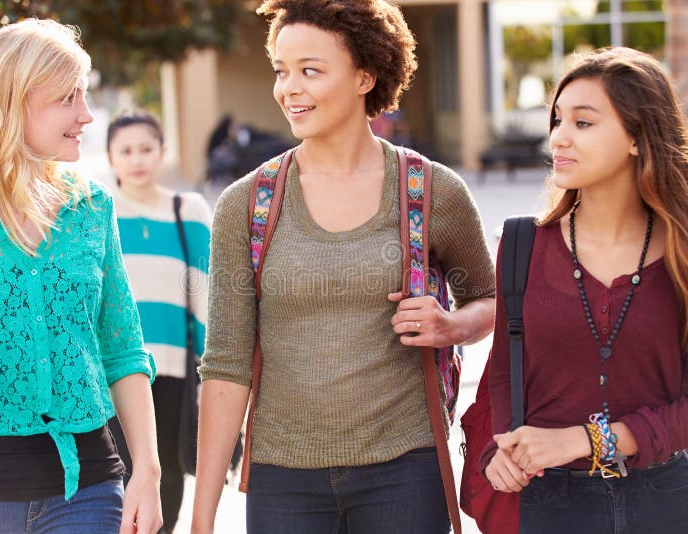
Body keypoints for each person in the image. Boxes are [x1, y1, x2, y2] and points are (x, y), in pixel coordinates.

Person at [192, 1, 496, 533]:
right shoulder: (246, 204)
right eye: (281, 71)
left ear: (364, 76)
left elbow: (488, 299)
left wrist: (453, 326)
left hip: (405, 469)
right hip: (281, 477)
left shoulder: (431, 192)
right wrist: (201, 521)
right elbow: (226, 364)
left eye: (310, 70)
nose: (289, 88)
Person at [482, 47, 688, 533]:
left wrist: (589, 441)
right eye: (557, 120)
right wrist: (502, 449)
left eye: (583, 123)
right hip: (549, 502)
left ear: (638, 137)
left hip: (665, 503)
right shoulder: (521, 244)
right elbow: (503, 371)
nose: (558, 138)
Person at [0, 19, 163, 533]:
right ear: (9, 105)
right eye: (67, 98)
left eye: (84, 96)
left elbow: (121, 348)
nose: (86, 115)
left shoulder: (91, 207)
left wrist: (147, 471)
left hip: (88, 493)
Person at [107, 109, 212, 533]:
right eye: (126, 151)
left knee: (167, 466)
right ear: (111, 157)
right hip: (110, 370)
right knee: (113, 472)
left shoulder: (188, 210)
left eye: (146, 149)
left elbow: (206, 294)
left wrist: (210, 373)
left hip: (171, 367)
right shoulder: (97, 210)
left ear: (162, 152)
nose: (137, 159)